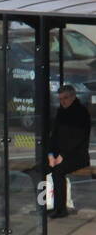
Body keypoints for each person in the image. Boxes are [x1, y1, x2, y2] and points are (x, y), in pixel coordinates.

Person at [44, 84, 92, 218]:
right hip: (60, 154)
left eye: (65, 98)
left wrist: (62, 156)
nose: (63, 101)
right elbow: (54, 136)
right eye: (60, 99)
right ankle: (48, 205)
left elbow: (77, 138)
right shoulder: (61, 112)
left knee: (58, 171)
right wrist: (50, 155)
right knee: (42, 167)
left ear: (73, 97)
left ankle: (60, 209)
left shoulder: (81, 112)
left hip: (78, 156)